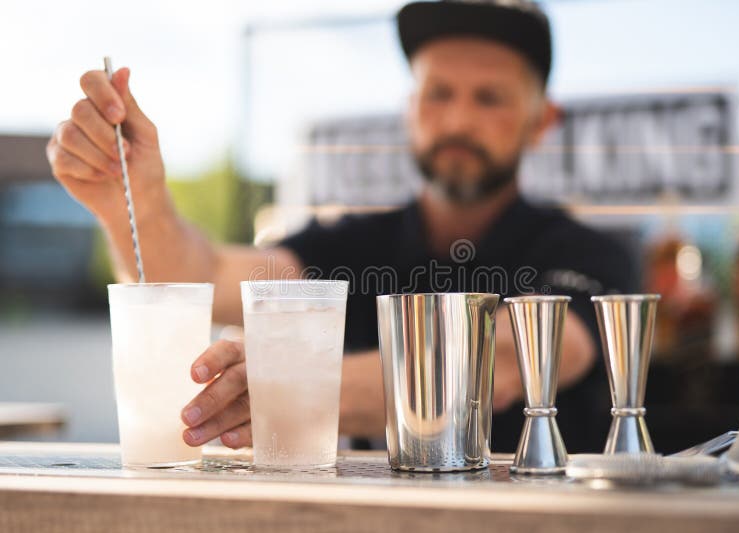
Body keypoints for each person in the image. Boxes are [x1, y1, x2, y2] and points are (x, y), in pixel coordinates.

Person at [46, 0, 636, 453]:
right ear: (410, 108)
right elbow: (202, 273)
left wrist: (293, 383)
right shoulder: (352, 245)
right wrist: (132, 199)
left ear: (541, 121)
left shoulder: (588, 254)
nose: (458, 118)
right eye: (438, 93)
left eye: (490, 98)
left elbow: (516, 359)